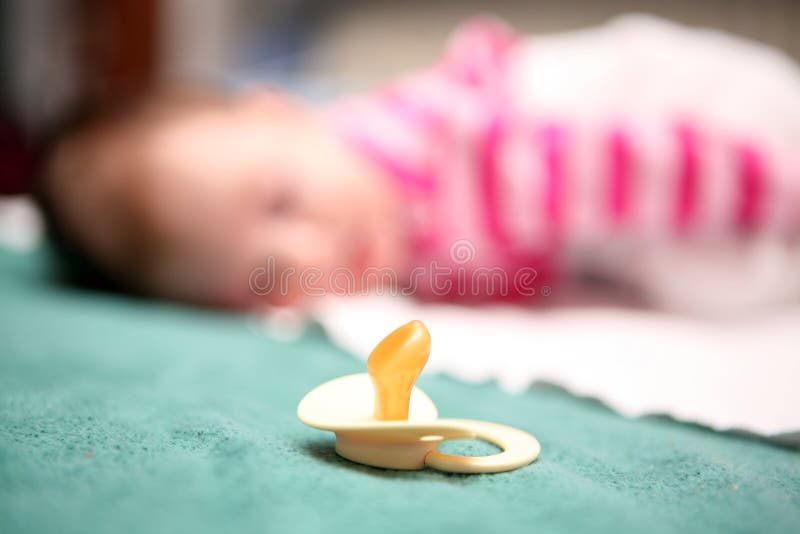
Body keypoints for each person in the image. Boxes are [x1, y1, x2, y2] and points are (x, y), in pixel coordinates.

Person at [34, 15, 800, 311]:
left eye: (278, 201)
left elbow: (636, 164)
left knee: (726, 282)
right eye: (266, 278)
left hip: (706, 132)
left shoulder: (458, 149)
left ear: (285, 114)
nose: (307, 255)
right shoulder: (382, 231)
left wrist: (774, 194)